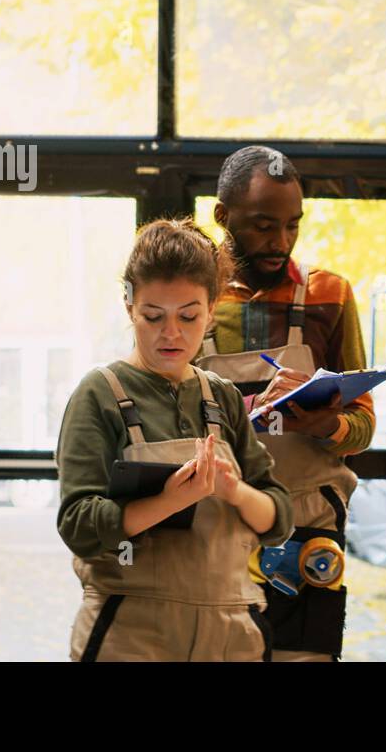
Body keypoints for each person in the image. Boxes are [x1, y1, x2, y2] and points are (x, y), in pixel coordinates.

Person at [56, 217, 293, 661]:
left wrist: (232, 491)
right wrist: (169, 500)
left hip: (231, 634)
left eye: (189, 316)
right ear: (129, 305)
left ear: (211, 309)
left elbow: (278, 517)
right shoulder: (99, 395)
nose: (171, 333)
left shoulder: (221, 396)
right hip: (132, 633)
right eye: (153, 316)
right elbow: (79, 525)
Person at [196, 145, 374, 662]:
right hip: (217, 525)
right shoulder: (194, 303)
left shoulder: (330, 295)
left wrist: (330, 425)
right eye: (263, 226)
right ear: (223, 217)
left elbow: (363, 425)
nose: (281, 242)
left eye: (292, 225)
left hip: (310, 526)